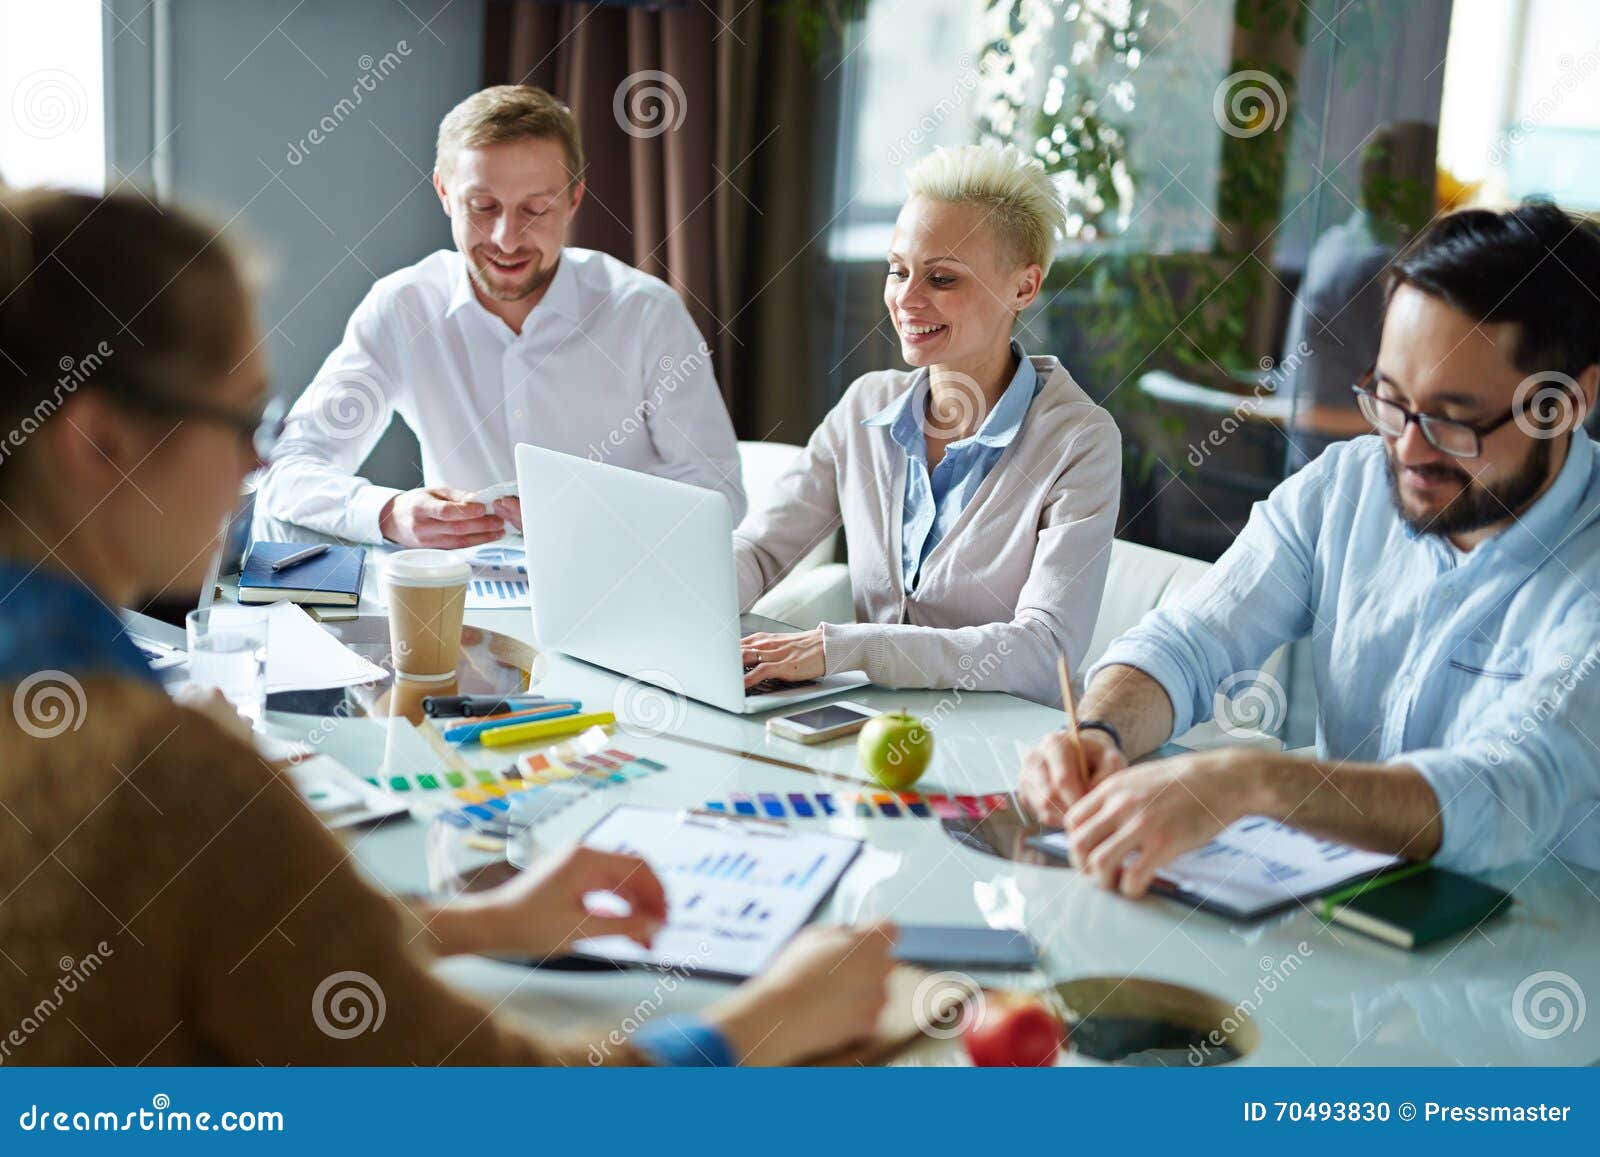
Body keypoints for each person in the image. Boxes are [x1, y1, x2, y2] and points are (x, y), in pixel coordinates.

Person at [0, 189, 893, 1065]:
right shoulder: (173, 775)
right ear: (101, 444)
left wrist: (488, 921)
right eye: (243, 419)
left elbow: (246, 941)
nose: (255, 460)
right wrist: (769, 1021)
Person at [1018, 201, 1600, 895]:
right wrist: (1099, 731)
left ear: (1567, 402)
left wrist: (1253, 782)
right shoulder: (1347, 486)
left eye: (1454, 420)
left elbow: (1507, 789)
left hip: (1537, 937)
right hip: (1339, 924)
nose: (1408, 450)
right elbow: (1190, 640)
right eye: (1390, 400)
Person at [257, 84, 746, 549]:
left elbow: (719, 492)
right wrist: (387, 513)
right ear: (444, 192)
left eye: (536, 209)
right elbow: (287, 467)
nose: (507, 239)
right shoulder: (405, 308)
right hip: (459, 596)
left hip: (616, 583)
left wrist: (585, 516)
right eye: (483, 206)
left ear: (574, 199)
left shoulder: (646, 314)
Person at [735, 145, 1121, 707]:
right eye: (898, 270)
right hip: (863, 725)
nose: (906, 299)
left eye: (942, 278)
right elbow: (760, 550)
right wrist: (683, 605)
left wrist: (852, 648)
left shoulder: (1079, 442)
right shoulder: (865, 406)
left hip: (1000, 742)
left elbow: (1046, 652)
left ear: (1023, 288)